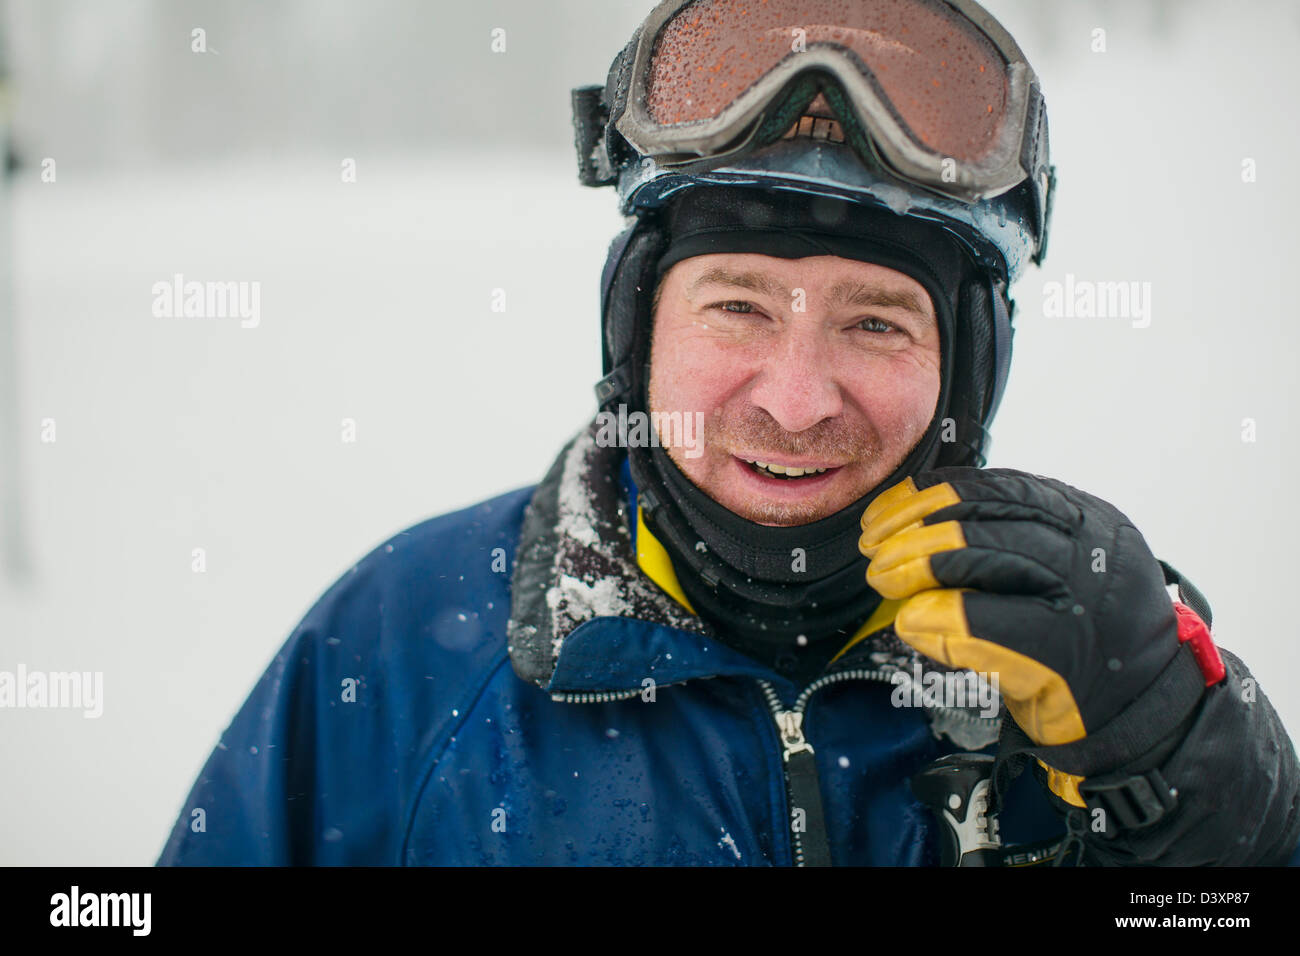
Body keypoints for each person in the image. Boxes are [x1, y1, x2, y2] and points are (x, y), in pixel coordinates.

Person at [158, 0, 1300, 866]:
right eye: (737, 304)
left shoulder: (1090, 653)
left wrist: (1185, 762)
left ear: (968, 367)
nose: (796, 399)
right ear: (635, 329)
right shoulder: (400, 649)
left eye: (876, 319)